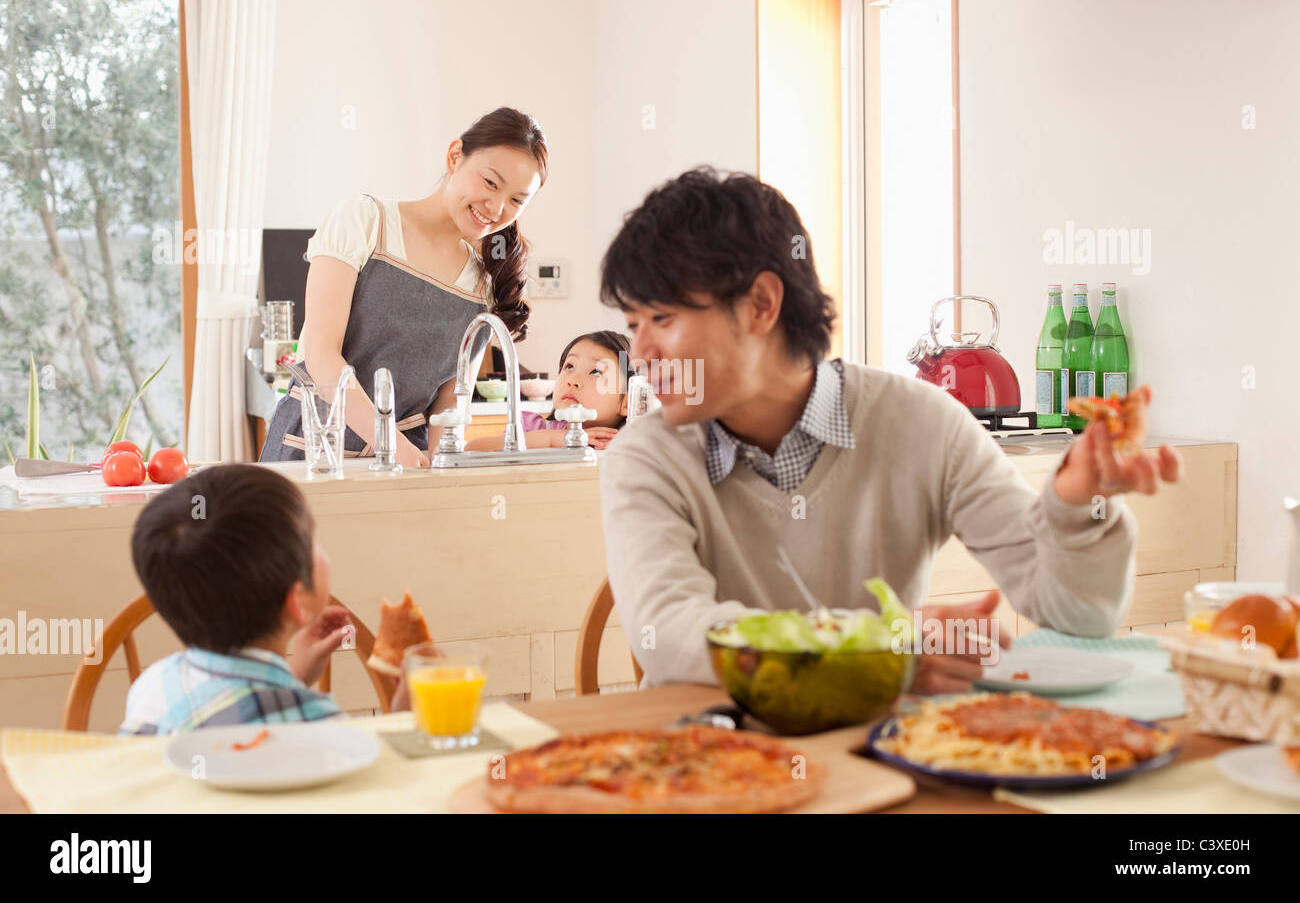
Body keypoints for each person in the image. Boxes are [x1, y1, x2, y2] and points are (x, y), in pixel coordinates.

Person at [597, 167, 1184, 692]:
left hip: (885, 759)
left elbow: (1083, 618)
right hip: (709, 767)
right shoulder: (644, 458)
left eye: (662, 319)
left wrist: (1077, 510)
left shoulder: (921, 422)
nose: (640, 349)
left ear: (760, 305)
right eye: (631, 322)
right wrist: (881, 648)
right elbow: (668, 636)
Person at [260, 107, 547, 469]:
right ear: (455, 156)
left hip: (408, 465)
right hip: (314, 449)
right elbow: (322, 357)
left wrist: (442, 464)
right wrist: (392, 447)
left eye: (517, 200)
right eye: (490, 182)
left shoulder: (482, 283)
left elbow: (449, 401)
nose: (497, 207)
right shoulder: (365, 222)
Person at [120, 464, 406, 734]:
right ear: (297, 601)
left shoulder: (152, 686)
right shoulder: (316, 721)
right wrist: (409, 717)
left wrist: (295, 678)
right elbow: (383, 784)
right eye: (316, 543)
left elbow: (235, 717)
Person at [465, 331, 630, 451]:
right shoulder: (532, 427)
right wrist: (551, 438)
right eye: (569, 366)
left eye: (596, 372)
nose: (573, 380)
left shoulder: (632, 441)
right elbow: (473, 448)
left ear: (628, 402)